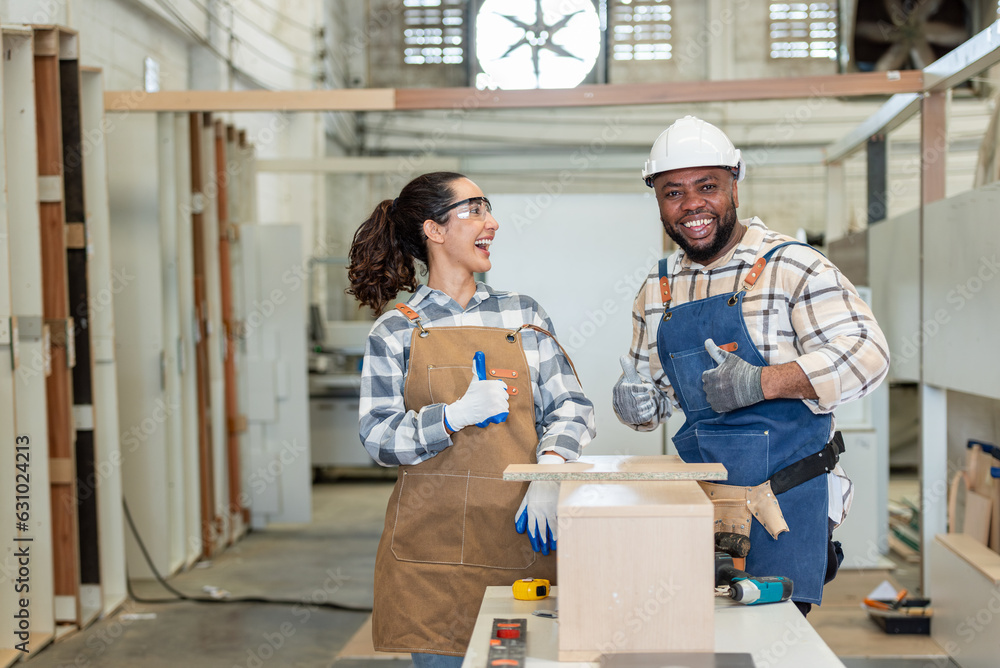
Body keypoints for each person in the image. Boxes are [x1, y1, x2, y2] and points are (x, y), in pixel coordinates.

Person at [613, 116, 889, 615]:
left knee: (773, 639)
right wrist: (635, 402)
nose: (692, 204)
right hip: (704, 506)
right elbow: (651, 404)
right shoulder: (657, 290)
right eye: (673, 192)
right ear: (657, 199)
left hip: (785, 501)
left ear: (734, 186)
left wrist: (763, 381)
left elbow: (868, 355)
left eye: (708, 186)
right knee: (696, 635)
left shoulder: (792, 265)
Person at [349, 172, 595, 665]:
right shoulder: (396, 330)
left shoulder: (521, 315)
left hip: (519, 541)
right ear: (434, 230)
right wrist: (451, 417)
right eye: (476, 209)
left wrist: (548, 469)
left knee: (522, 657)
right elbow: (377, 436)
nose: (493, 222)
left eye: (490, 208)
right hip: (430, 560)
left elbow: (572, 407)